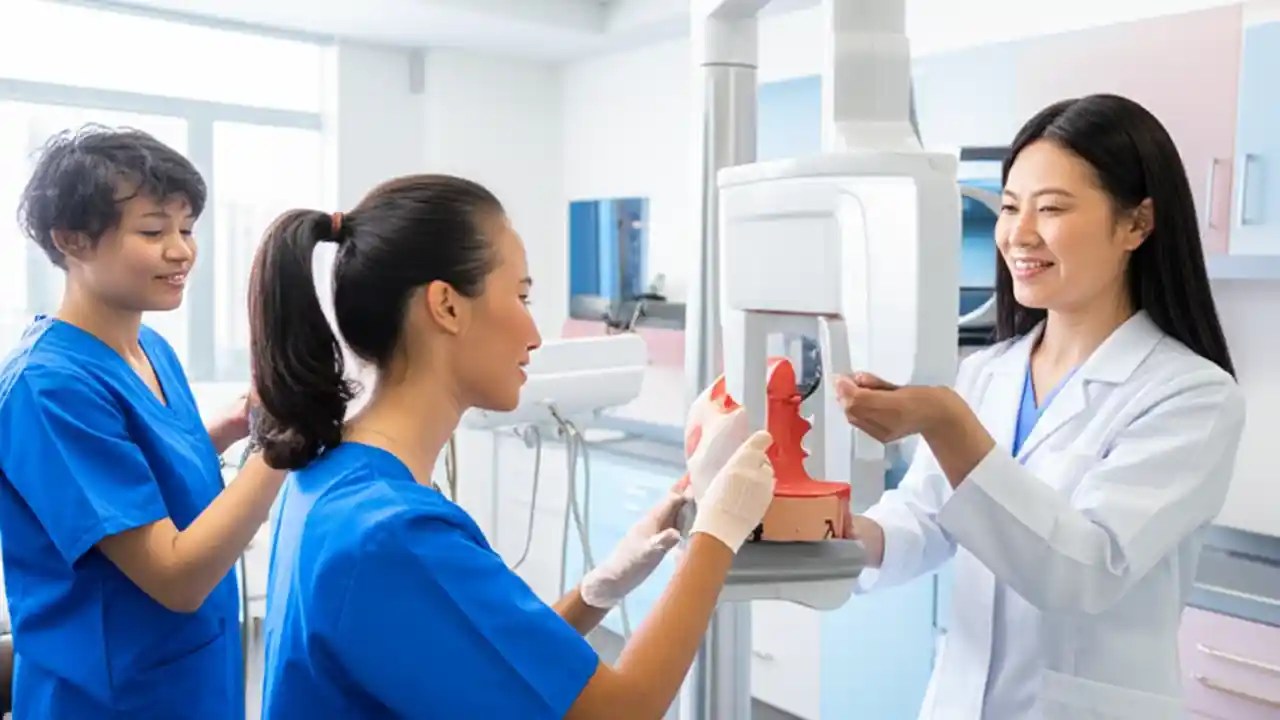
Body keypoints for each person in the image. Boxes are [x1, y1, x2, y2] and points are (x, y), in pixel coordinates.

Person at [252, 174, 776, 719]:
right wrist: (717, 532)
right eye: (521, 296)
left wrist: (596, 591)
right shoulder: (394, 533)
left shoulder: (331, 479)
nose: (533, 333)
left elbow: (480, 661)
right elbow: (619, 713)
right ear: (447, 306)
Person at [829, 93, 1247, 719]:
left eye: (1051, 209)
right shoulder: (987, 373)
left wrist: (947, 423)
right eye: (1009, 207)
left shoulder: (1191, 396)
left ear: (1136, 224)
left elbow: (1081, 572)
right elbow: (924, 519)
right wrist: (838, 534)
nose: (1019, 234)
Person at [0, 125, 285, 718]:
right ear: (71, 240)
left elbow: (141, 479)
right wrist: (282, 452)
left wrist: (227, 430)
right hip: (111, 695)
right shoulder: (48, 387)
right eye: (154, 231)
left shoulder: (149, 349)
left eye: (186, 229)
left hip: (192, 672)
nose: (181, 250)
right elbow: (175, 577)